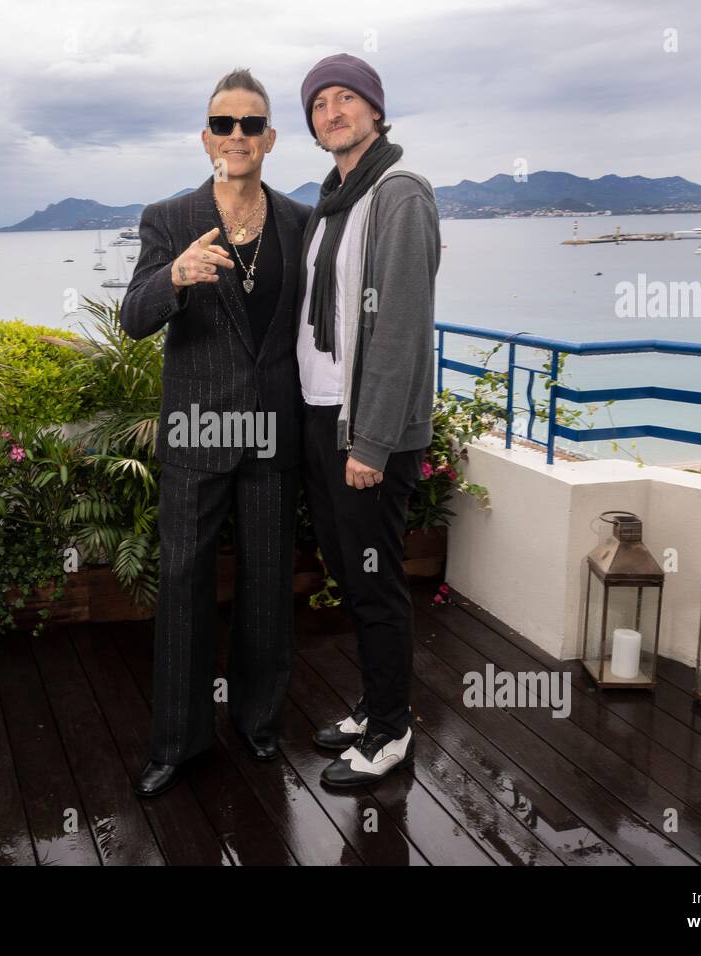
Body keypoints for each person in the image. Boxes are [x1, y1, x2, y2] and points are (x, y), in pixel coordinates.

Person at [120, 68, 312, 797]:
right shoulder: (169, 218)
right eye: (225, 125)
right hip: (198, 428)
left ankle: (260, 725)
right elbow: (133, 319)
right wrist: (175, 275)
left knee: (268, 588)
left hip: (270, 430)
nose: (238, 137)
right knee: (183, 583)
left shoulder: (298, 219)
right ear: (207, 137)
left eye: (251, 125)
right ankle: (178, 740)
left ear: (269, 137)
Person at [295, 53, 442, 787]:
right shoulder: (333, 203)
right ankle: (375, 704)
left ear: (376, 112)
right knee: (351, 577)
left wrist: (373, 442)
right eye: (319, 104)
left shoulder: (398, 193)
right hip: (327, 419)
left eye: (346, 98)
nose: (332, 113)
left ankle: (390, 733)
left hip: (366, 433)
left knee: (376, 583)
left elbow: (403, 330)